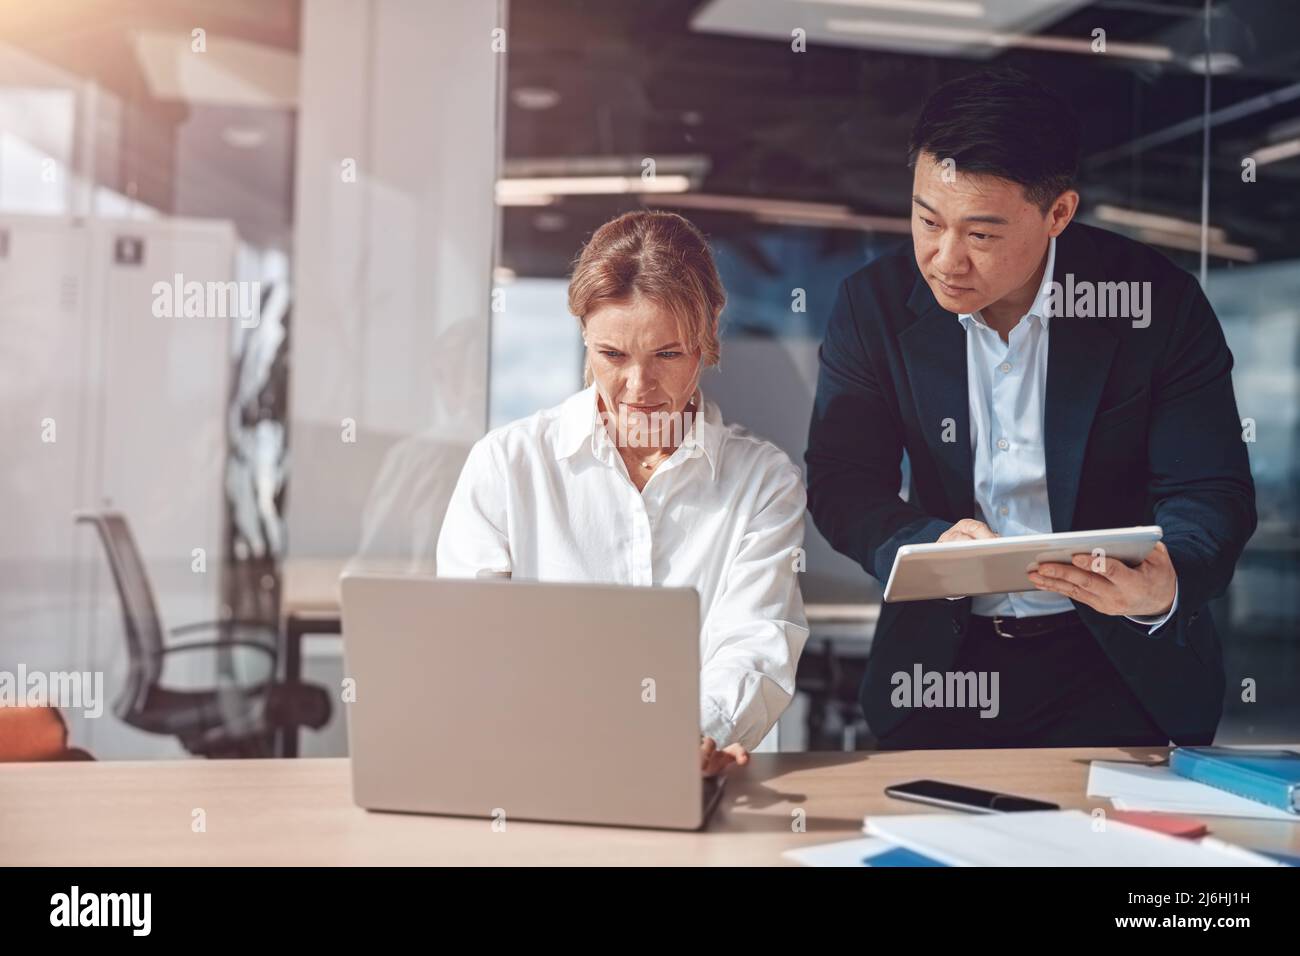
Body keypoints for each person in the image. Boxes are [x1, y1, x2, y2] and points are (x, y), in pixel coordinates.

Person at [806, 68, 1256, 749]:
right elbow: (844, 481)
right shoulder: (871, 305)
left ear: (1058, 214)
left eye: (981, 236)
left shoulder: (1154, 303)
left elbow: (1209, 488)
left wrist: (1168, 580)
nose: (944, 260)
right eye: (928, 220)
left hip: (1118, 669)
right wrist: (920, 542)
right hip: (943, 667)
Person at [438, 210, 808, 773]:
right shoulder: (506, 466)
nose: (639, 388)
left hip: (698, 776)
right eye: (612, 355)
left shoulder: (762, 482)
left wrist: (685, 740)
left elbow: (755, 647)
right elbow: (471, 649)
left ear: (708, 331)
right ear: (583, 333)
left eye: (667, 354)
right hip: (541, 774)